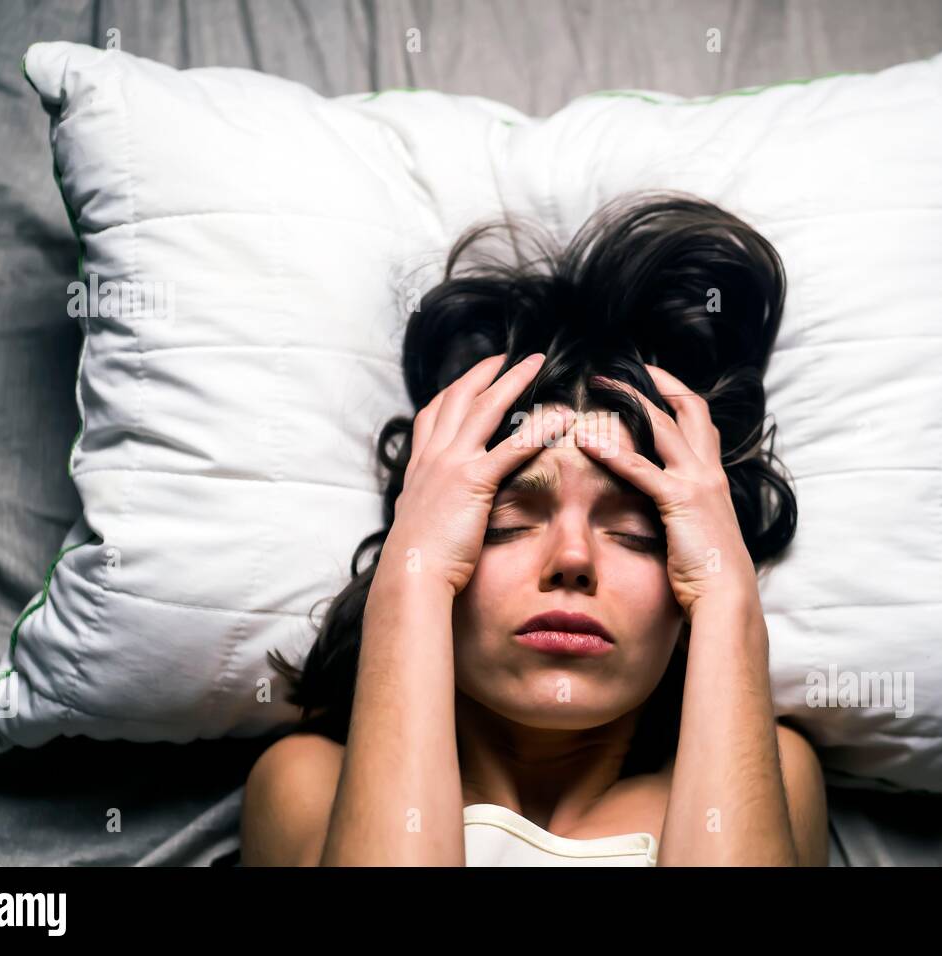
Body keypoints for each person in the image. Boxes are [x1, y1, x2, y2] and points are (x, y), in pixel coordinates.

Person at [240, 189, 828, 866]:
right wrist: (414, 576)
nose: (572, 558)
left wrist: (726, 596)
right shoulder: (306, 782)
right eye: (508, 524)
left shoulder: (773, 772)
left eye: (638, 533)